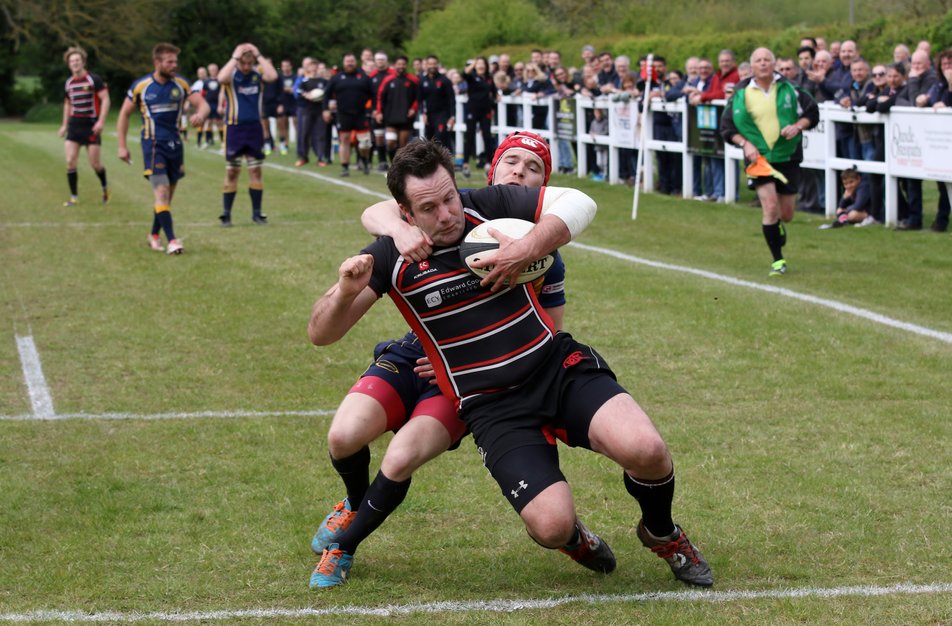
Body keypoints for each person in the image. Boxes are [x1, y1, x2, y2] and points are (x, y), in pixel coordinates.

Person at [307, 139, 713, 590]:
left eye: (449, 198)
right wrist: (345, 292)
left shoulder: (491, 208)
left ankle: (661, 532)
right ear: (405, 212)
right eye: (429, 208)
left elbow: (581, 202)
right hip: (492, 407)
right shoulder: (390, 256)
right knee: (551, 527)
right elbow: (321, 333)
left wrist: (525, 248)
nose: (447, 214)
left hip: (555, 369)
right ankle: (572, 537)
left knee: (647, 450)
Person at [309, 132, 573, 590]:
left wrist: (471, 358)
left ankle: (344, 547)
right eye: (512, 163)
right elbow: (323, 328)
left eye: (533, 169)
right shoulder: (428, 222)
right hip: (415, 354)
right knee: (343, 436)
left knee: (401, 456)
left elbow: (549, 333)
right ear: (492, 171)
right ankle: (353, 502)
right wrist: (388, 241)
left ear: (543, 187)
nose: (520, 174)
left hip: (469, 374)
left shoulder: (540, 251)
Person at [720, 47, 819, 277]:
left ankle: (776, 226)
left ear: (774, 64)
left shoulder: (791, 89)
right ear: (751, 67)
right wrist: (745, 144)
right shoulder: (741, 94)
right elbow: (726, 128)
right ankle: (778, 260)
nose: (763, 63)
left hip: (788, 155)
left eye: (767, 60)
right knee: (770, 206)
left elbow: (813, 113)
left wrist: (798, 126)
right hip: (758, 158)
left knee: (787, 214)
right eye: (758, 60)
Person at [117, 43, 209, 255]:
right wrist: (122, 146)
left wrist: (201, 115)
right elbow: (124, 114)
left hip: (175, 145)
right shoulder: (141, 86)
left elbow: (203, 105)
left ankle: (154, 235)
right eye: (169, 62)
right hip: (153, 145)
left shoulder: (182, 84)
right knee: (161, 191)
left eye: (176, 61)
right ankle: (173, 240)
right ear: (157, 62)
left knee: (166, 198)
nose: (174, 65)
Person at [217, 43, 278, 226]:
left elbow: (273, 76)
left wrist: (258, 55)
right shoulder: (232, 74)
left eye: (249, 63)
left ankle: (257, 214)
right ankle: (226, 214)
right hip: (234, 129)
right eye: (243, 63)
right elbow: (221, 78)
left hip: (254, 128)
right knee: (232, 171)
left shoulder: (257, 73)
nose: (246, 67)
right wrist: (235, 57)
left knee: (255, 170)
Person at [59, 46, 111, 207]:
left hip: (91, 125)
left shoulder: (93, 79)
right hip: (75, 125)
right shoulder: (68, 83)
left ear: (83, 62)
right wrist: (64, 125)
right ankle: (74, 197)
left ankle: (105, 188)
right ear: (68, 64)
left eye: (77, 60)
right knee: (70, 161)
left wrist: (101, 121)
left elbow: (105, 99)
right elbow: (67, 104)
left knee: (95, 164)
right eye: (72, 61)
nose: (75, 63)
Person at [324, 53, 375, 176]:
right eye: (347, 61)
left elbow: (373, 95)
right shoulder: (336, 78)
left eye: (352, 61)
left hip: (361, 114)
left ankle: (364, 160)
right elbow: (326, 94)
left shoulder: (364, 77)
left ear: (356, 62)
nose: (350, 63)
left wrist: (374, 110)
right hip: (343, 114)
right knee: (344, 140)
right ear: (343, 63)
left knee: (365, 143)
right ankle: (345, 167)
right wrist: (325, 109)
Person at [375, 55, 420, 165]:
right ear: (395, 65)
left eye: (403, 64)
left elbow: (419, 98)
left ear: (406, 65)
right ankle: (393, 164)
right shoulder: (387, 80)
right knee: (390, 143)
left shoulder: (413, 80)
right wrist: (379, 112)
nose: (401, 66)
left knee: (403, 145)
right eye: (399, 64)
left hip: (406, 117)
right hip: (390, 117)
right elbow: (380, 97)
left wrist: (413, 109)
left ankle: (400, 166)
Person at [460, 57, 498, 178]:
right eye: (479, 64)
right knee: (469, 136)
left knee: (487, 136)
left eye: (483, 64)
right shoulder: (472, 77)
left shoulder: (489, 78)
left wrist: (496, 98)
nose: (481, 66)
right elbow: (464, 73)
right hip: (472, 110)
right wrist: (474, 63)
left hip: (485, 111)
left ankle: (488, 164)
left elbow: (494, 92)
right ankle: (466, 164)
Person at [419, 54, 456, 151]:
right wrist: (423, 113)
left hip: (442, 115)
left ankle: (445, 158)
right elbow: (420, 99)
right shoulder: (422, 81)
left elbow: (451, 99)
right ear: (426, 65)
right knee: (429, 142)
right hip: (429, 116)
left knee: (439, 138)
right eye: (430, 64)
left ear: (437, 65)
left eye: (434, 63)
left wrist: (452, 116)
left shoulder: (445, 80)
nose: (432, 66)